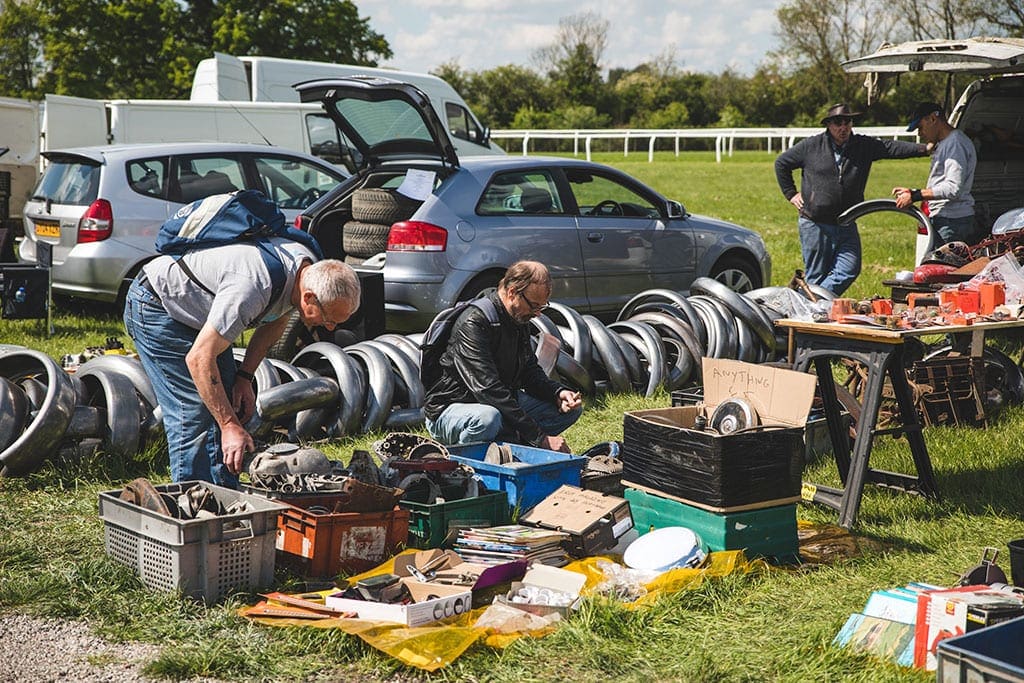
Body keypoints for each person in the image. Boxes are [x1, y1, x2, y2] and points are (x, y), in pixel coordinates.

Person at [123, 235, 361, 488]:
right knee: (193, 410)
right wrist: (228, 425)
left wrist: (244, 377)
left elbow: (276, 320)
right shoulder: (251, 289)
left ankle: (225, 495)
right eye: (328, 318)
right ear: (309, 298)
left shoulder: (307, 270)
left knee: (226, 401)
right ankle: (192, 505)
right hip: (158, 305)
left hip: (200, 311)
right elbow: (199, 358)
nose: (330, 327)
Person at [423, 260, 583, 453]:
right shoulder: (474, 322)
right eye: (534, 306)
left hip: (496, 403)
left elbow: (530, 372)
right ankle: (463, 465)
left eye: (542, 307)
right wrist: (540, 438)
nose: (538, 314)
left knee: (568, 411)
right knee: (488, 419)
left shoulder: (519, 317)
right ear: (512, 292)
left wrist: (557, 393)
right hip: (452, 410)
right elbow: (488, 389)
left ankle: (513, 454)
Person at [775, 103, 929, 295]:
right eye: (838, 122)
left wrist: (925, 149)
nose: (843, 127)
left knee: (849, 269)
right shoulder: (811, 146)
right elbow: (781, 163)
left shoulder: (863, 146)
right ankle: (812, 310)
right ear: (829, 125)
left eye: (847, 122)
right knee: (817, 275)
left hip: (847, 222)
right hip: (815, 223)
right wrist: (791, 194)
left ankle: (810, 300)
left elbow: (891, 147)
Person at [893, 102, 977, 245]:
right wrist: (913, 191)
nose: (919, 133)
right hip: (948, 220)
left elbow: (953, 188)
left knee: (943, 267)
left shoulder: (955, 143)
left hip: (951, 222)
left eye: (920, 127)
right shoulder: (947, 142)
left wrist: (915, 196)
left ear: (932, 119)